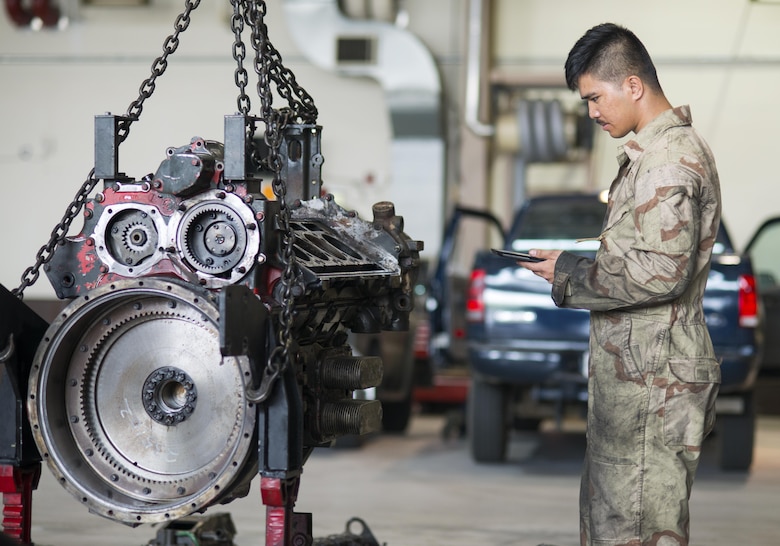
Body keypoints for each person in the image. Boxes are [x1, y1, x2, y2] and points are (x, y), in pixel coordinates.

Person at [520, 23, 722, 546]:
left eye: (594, 97)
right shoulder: (654, 156)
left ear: (632, 86)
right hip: (642, 373)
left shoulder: (666, 162)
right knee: (618, 517)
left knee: (632, 524)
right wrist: (571, 260)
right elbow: (645, 256)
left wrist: (568, 272)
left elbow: (661, 272)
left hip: (652, 378)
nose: (591, 111)